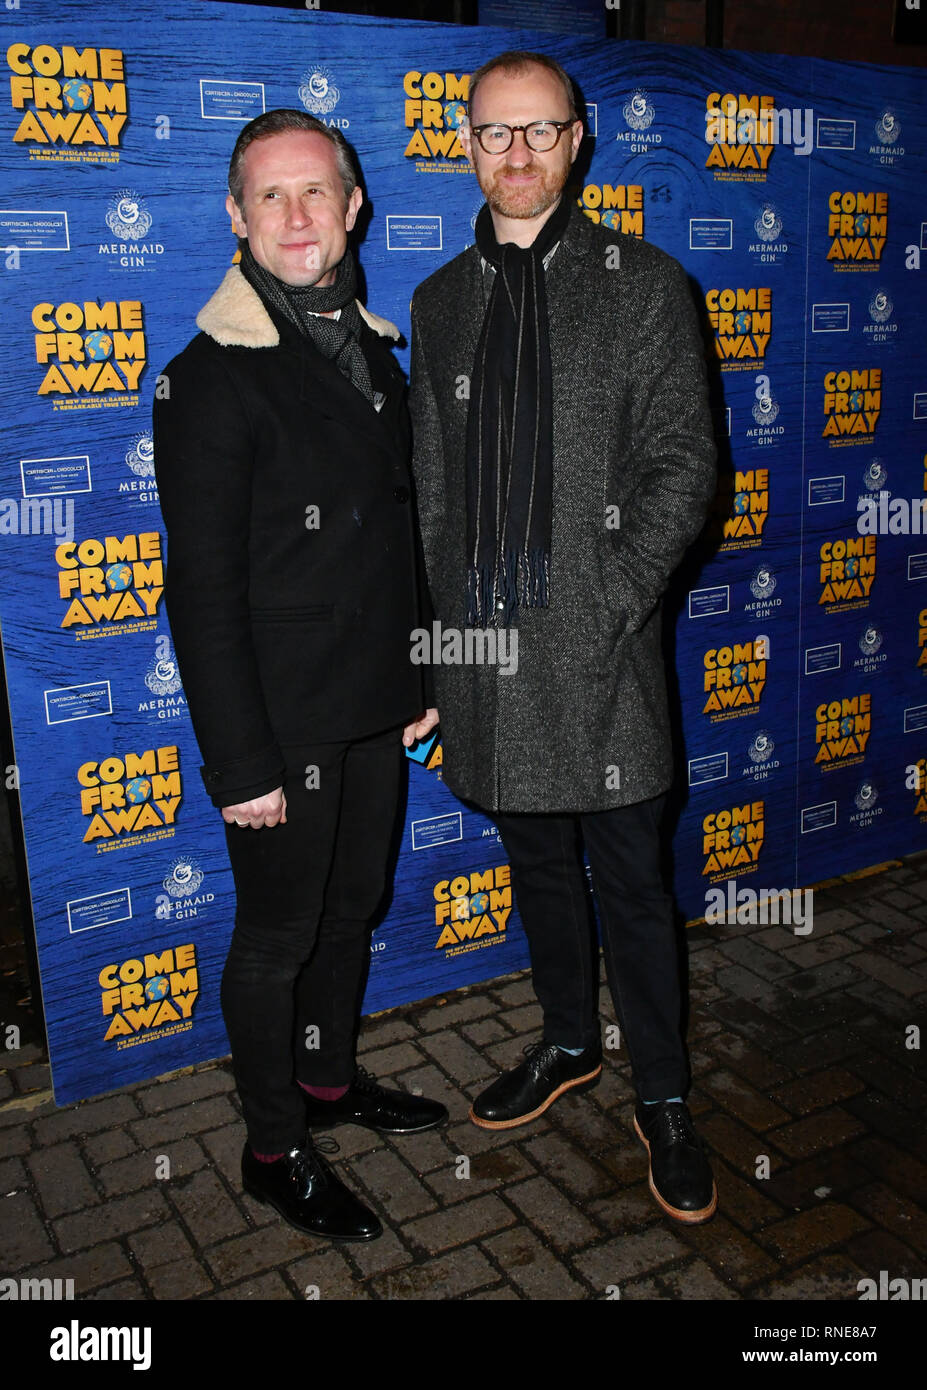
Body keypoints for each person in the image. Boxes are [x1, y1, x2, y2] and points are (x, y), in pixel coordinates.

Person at [409, 52, 718, 1223]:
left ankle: (667, 1095)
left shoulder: (644, 285)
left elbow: (683, 467)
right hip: (490, 659)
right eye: (495, 132)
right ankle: (568, 1040)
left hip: (602, 653)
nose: (518, 153)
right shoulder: (440, 303)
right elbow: (434, 498)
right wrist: (442, 648)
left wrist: (608, 602)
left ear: (578, 140)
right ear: (466, 143)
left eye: (540, 130)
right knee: (536, 863)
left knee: (632, 882)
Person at [153, 109, 442, 1243]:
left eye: (314, 189)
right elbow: (200, 593)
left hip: (372, 701)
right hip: (281, 722)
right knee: (278, 937)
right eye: (268, 195)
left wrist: (421, 672)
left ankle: (326, 1082)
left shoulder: (368, 347)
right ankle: (274, 1147)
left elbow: (399, 532)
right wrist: (240, 764)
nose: (295, 215)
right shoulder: (208, 376)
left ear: (353, 205)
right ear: (235, 218)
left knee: (351, 910)